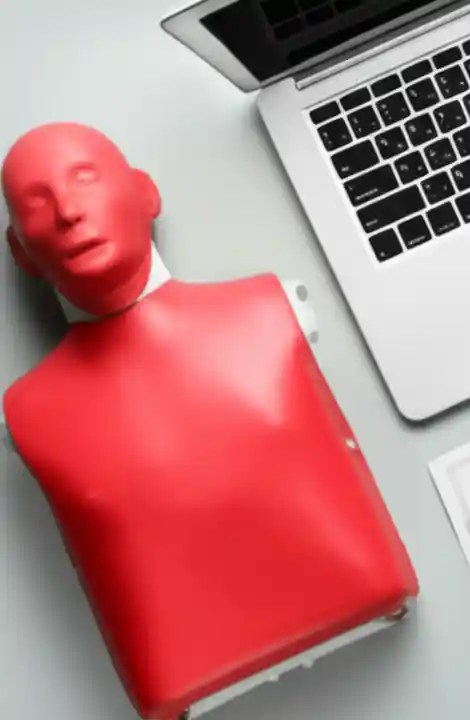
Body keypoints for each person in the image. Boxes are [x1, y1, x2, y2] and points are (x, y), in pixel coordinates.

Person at [1, 123, 418, 720]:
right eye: (37, 203)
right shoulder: (27, 413)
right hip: (182, 677)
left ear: (147, 193)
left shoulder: (269, 309)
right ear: (21, 251)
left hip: (363, 595)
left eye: (85, 178)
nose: (68, 211)